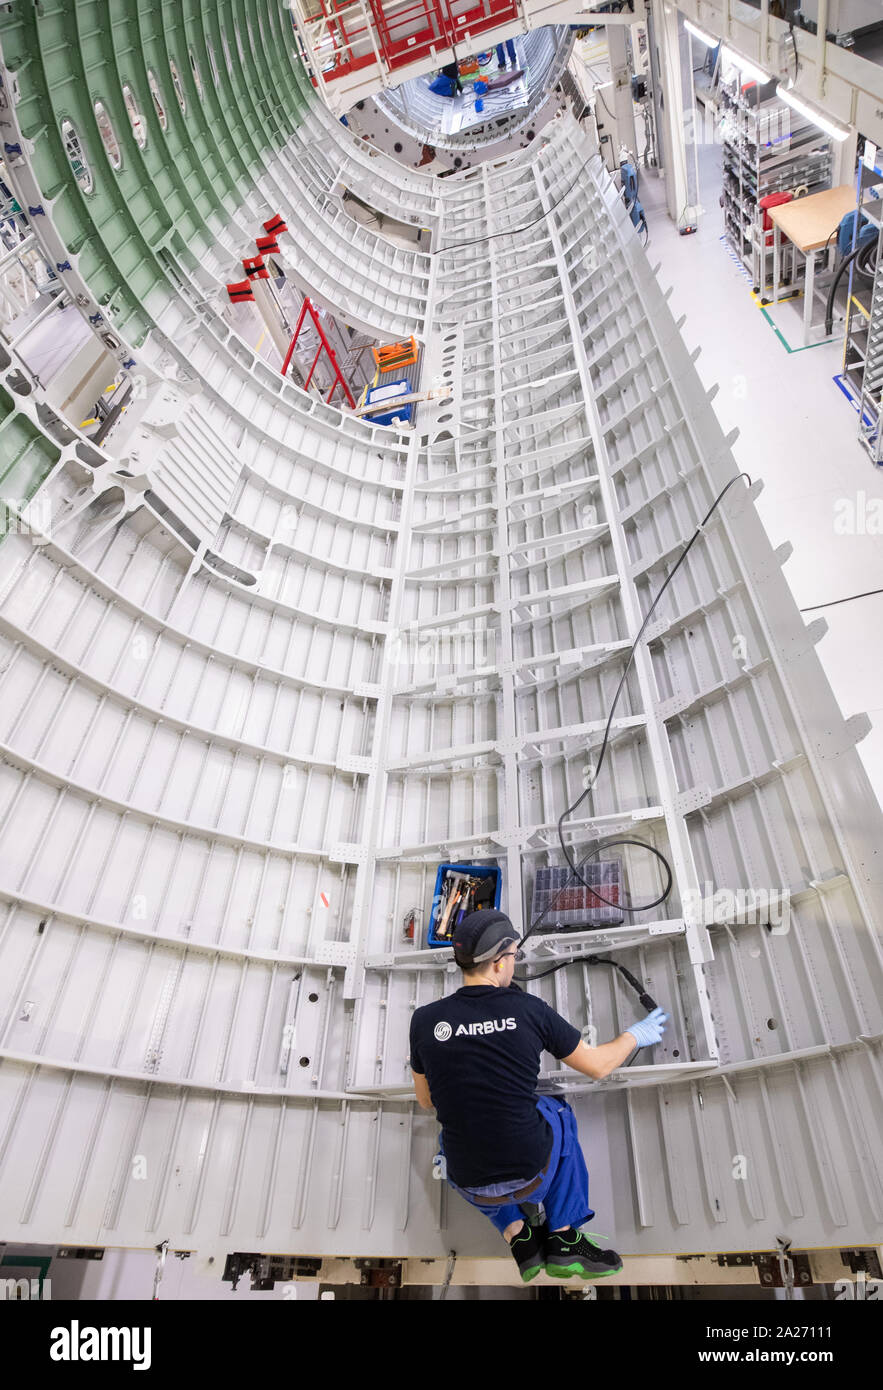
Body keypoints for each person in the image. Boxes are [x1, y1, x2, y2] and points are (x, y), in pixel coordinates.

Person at [409, 908, 669, 1283]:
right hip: (532, 1179)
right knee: (556, 1110)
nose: (514, 963)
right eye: (513, 956)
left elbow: (427, 1101)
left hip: (469, 1183)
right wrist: (635, 1035)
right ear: (498, 962)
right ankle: (563, 1237)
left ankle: (518, 1233)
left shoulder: (424, 1020)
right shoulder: (529, 1010)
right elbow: (597, 1066)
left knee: (451, 1137)